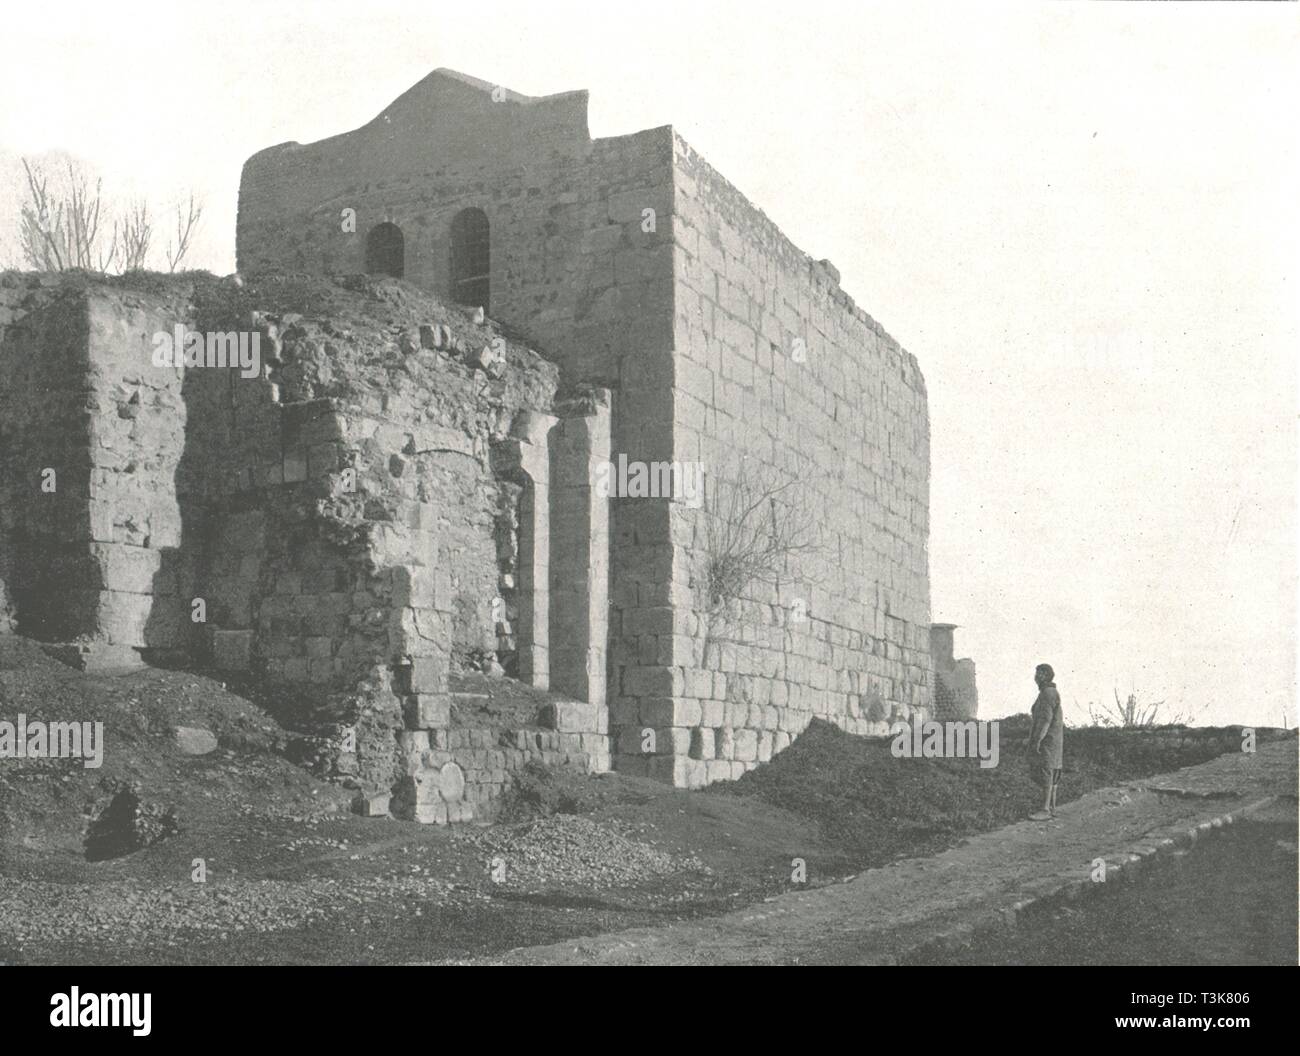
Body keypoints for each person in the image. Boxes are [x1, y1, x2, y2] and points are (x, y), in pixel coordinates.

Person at [1028, 663, 1063, 820]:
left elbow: (1045, 720)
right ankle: (1052, 808)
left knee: (1045, 772)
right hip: (1054, 739)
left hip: (1047, 740)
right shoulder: (1050, 692)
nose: (1035, 677)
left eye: (1038, 673)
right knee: (1052, 772)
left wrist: (1037, 740)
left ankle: (1045, 810)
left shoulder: (1047, 694)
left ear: (1044, 675)